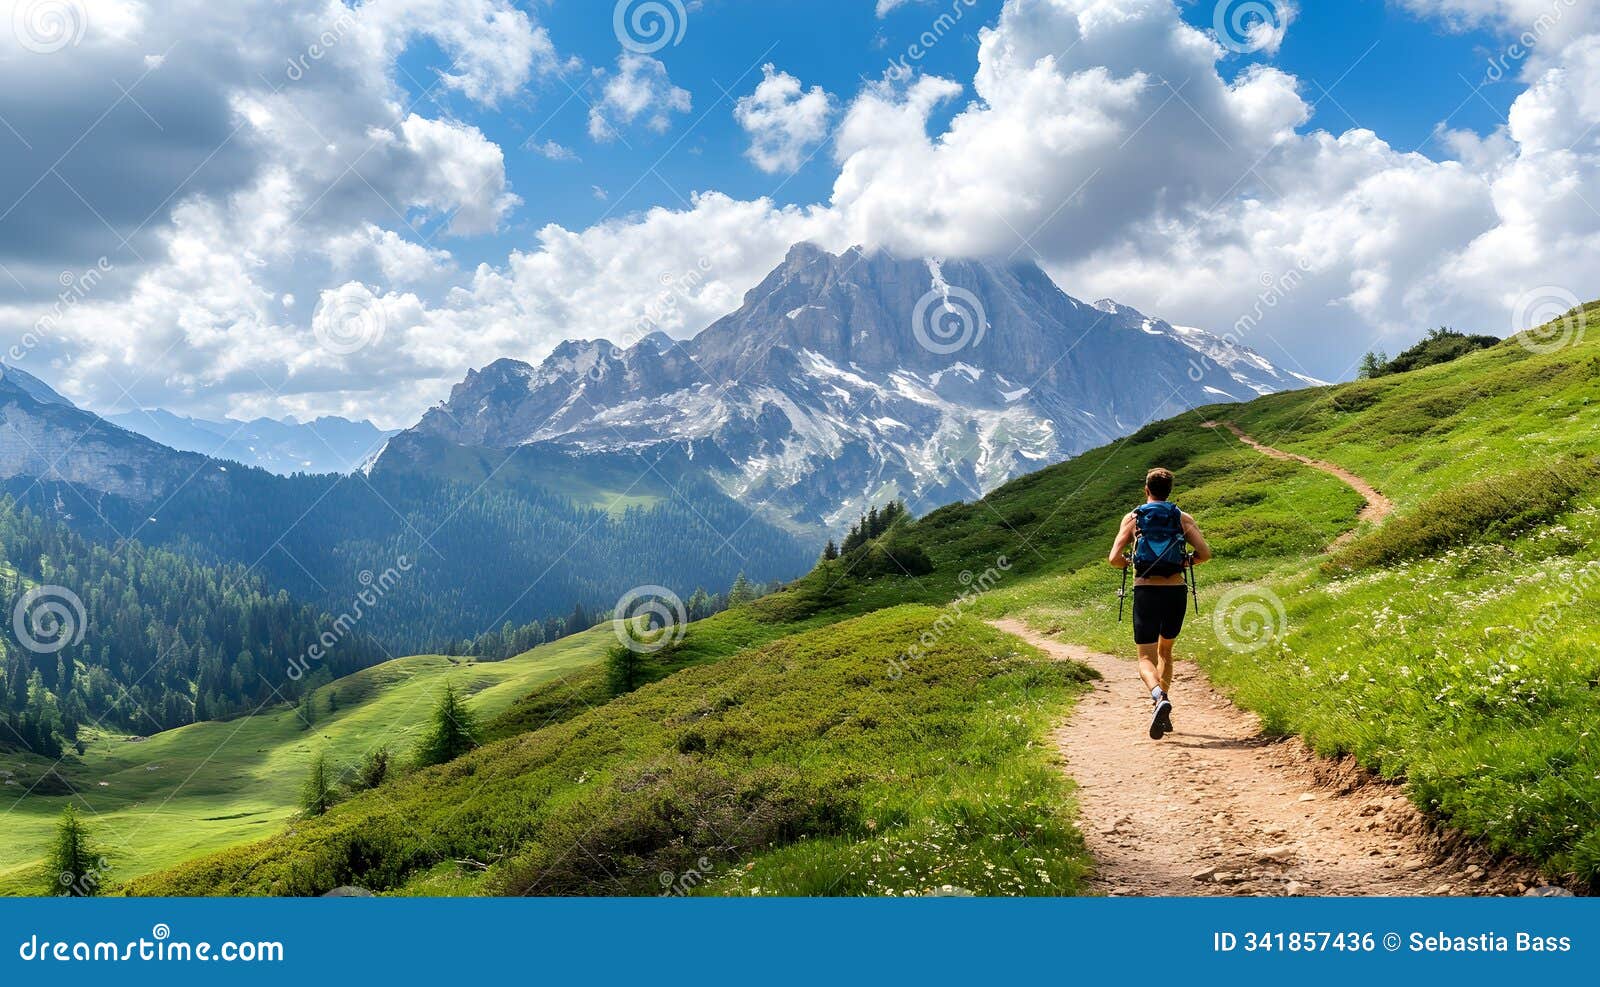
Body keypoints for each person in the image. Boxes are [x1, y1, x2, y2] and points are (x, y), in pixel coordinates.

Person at [1108, 468, 1211, 739]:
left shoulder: (1133, 518)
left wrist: (1131, 563)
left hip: (1146, 593)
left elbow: (1114, 558)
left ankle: (1157, 696)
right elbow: (1205, 554)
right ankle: (1162, 703)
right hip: (1175, 592)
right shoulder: (1181, 518)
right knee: (1166, 651)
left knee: (1145, 657)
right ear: (1170, 490)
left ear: (1146, 490)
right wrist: (1184, 561)